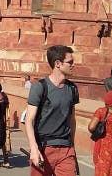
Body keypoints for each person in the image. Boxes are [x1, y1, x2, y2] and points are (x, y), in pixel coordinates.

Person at [25, 45, 80, 176]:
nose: (73, 65)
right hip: (43, 147)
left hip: (66, 149)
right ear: (57, 64)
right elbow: (29, 120)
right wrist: (34, 148)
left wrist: (72, 146)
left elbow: (72, 119)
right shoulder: (40, 87)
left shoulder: (72, 89)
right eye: (70, 62)